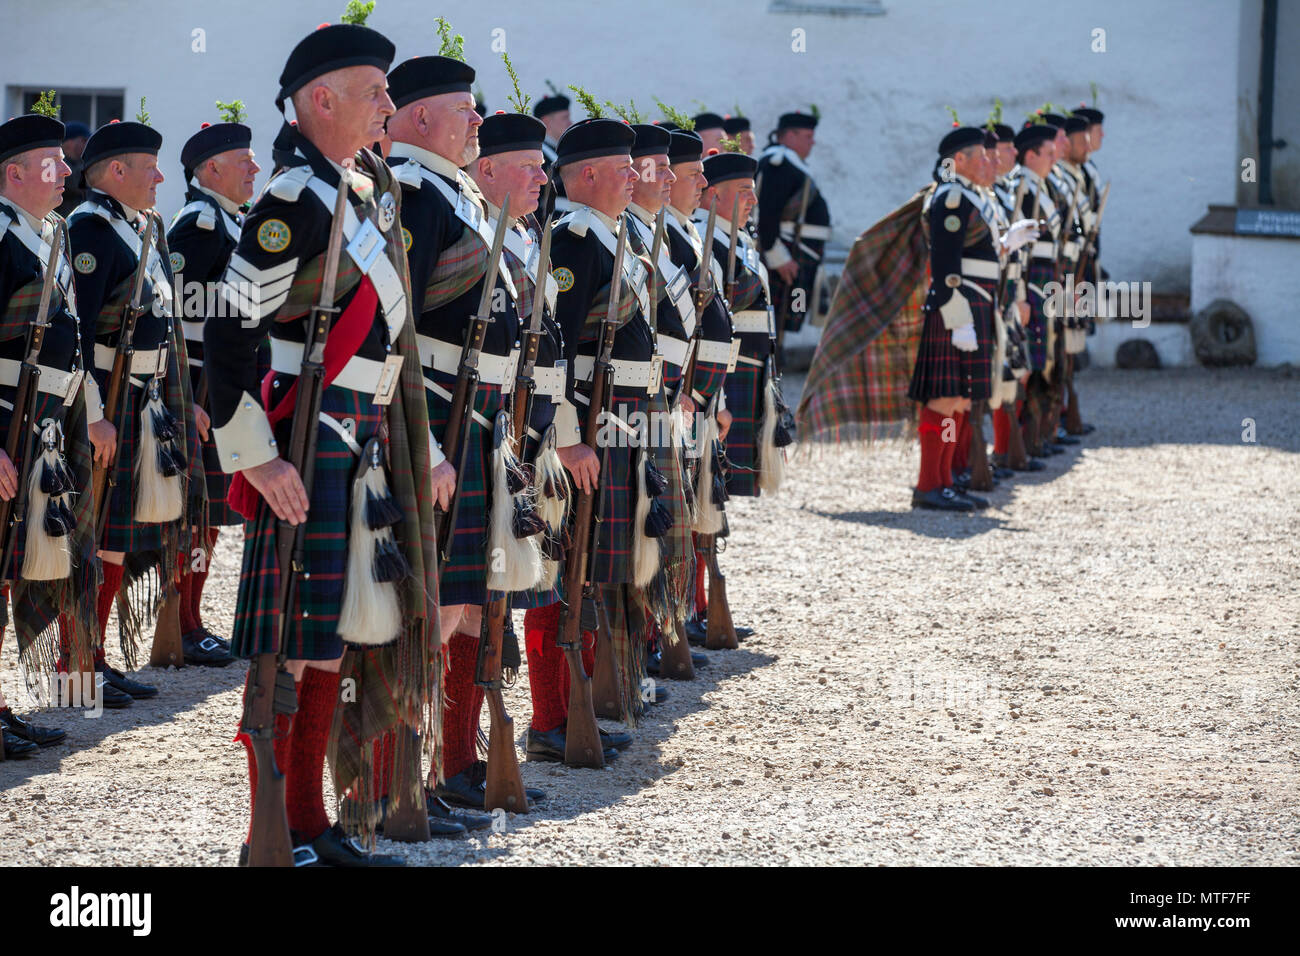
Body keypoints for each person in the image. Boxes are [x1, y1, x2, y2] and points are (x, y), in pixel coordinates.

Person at [208, 20, 440, 866]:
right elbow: (229, 329)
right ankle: (270, 832)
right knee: (287, 646)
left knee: (326, 639)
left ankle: (310, 824)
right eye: (375, 90)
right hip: (307, 437)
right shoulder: (288, 202)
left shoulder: (354, 188)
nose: (389, 103)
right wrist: (255, 455)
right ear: (321, 99)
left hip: (360, 433)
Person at [521, 115, 666, 757]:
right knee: (560, 567)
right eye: (623, 166)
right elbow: (552, 348)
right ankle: (550, 718)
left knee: (586, 570)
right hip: (586, 421)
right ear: (586, 177)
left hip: (620, 421)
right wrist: (569, 436)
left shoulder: (612, 235)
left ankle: (575, 705)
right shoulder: (576, 240)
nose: (637, 175)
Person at [69, 118, 203, 702]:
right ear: (116, 172)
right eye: (150, 167)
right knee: (93, 534)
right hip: (108, 398)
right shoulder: (91, 229)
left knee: (117, 534)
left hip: (142, 397)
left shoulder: (142, 225)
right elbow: (75, 331)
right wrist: (94, 410)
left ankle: (94, 660)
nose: (161, 177)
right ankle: (76, 670)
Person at [0, 112, 102, 752]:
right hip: (6, 425)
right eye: (52, 162)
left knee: (9, 572)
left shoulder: (49, 234)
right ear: (13, 174)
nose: (67, 169)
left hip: (42, 425)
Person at [165, 119, 262, 667]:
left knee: (210, 516)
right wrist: (189, 398)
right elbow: (173, 317)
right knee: (197, 516)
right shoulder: (200, 225)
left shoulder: (228, 220)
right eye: (242, 159)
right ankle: (183, 625)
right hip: (199, 385)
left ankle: (193, 621)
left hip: (219, 383)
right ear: (210, 170)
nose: (253, 169)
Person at [905, 123, 1035, 511]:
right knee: (944, 399)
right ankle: (930, 483)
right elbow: (945, 264)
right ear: (958, 160)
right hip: (957, 307)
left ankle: (946, 479)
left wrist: (1007, 242)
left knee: (960, 400)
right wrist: (957, 316)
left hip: (976, 304)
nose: (988, 162)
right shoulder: (950, 198)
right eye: (980, 156)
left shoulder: (970, 196)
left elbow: (975, 252)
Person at [756, 110, 830, 342]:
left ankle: (777, 365)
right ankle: (772, 369)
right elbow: (767, 214)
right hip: (788, 256)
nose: (813, 141)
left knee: (790, 313)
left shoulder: (790, 163)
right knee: (775, 319)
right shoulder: (778, 163)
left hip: (799, 254)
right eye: (808, 136)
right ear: (789, 136)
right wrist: (778, 256)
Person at [56, 121, 89, 217]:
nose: (87, 144)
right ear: (69, 142)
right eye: (84, 140)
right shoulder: (56, 163)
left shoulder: (81, 162)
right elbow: (79, 183)